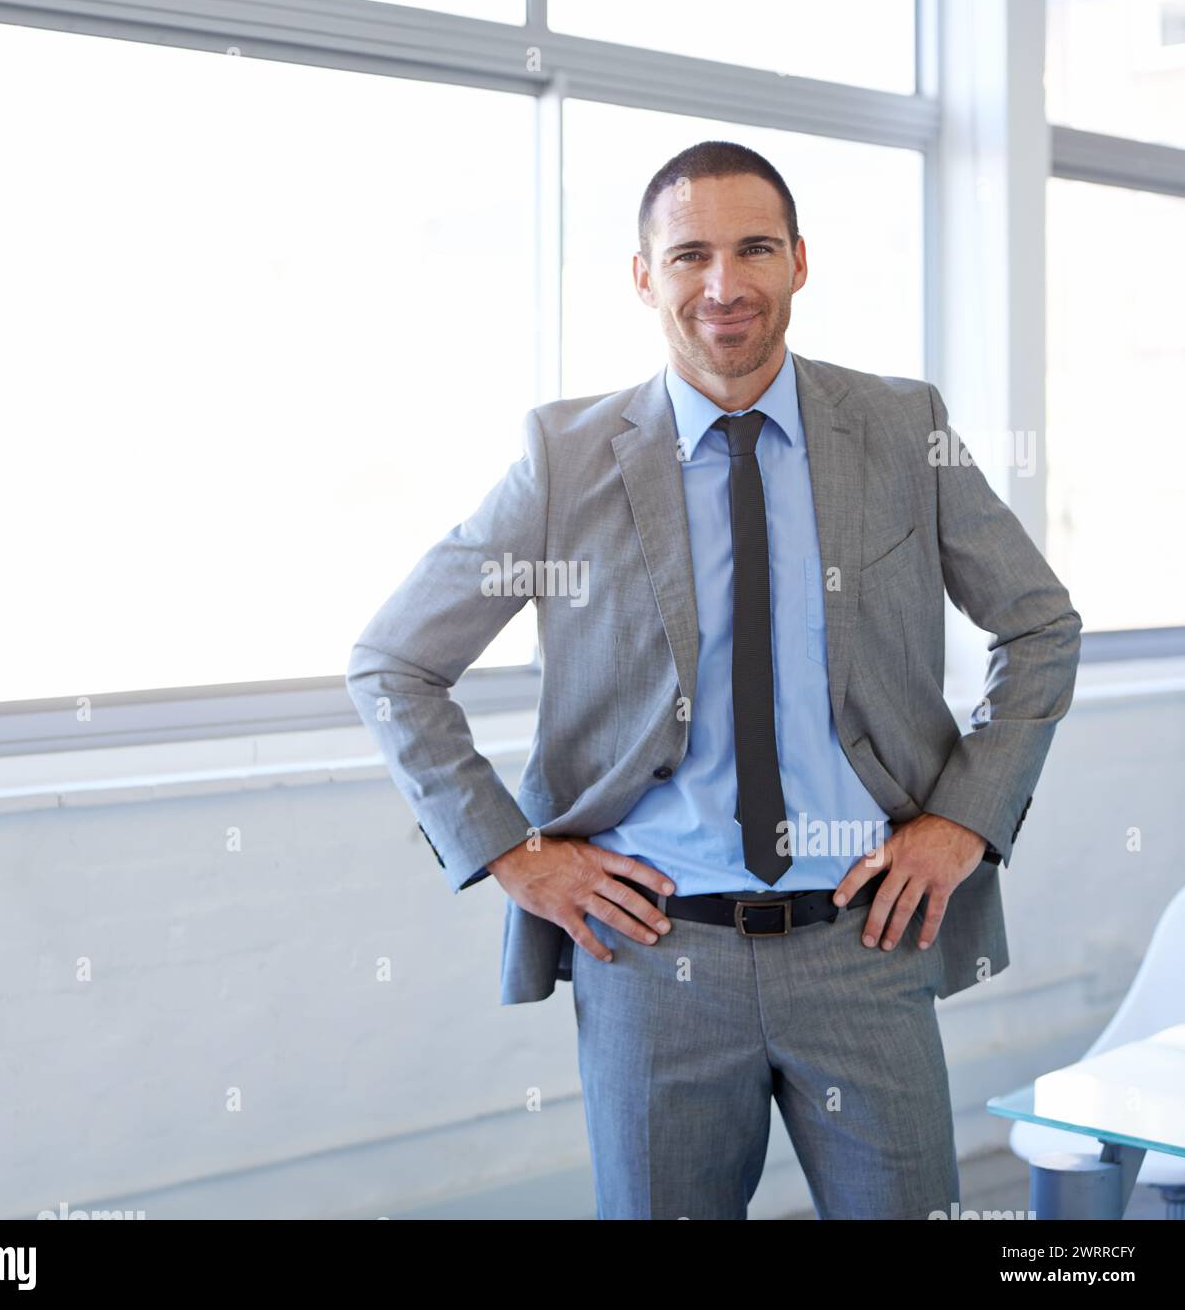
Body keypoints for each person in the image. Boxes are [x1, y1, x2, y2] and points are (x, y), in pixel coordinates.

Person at [346, 140, 1082, 1219]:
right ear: (645, 276)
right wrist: (514, 856)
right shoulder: (565, 458)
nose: (724, 285)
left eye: (754, 250)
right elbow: (395, 662)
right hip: (651, 964)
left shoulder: (897, 428)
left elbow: (1039, 624)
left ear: (797, 263)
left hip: (862, 947)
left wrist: (962, 822)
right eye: (689, 254)